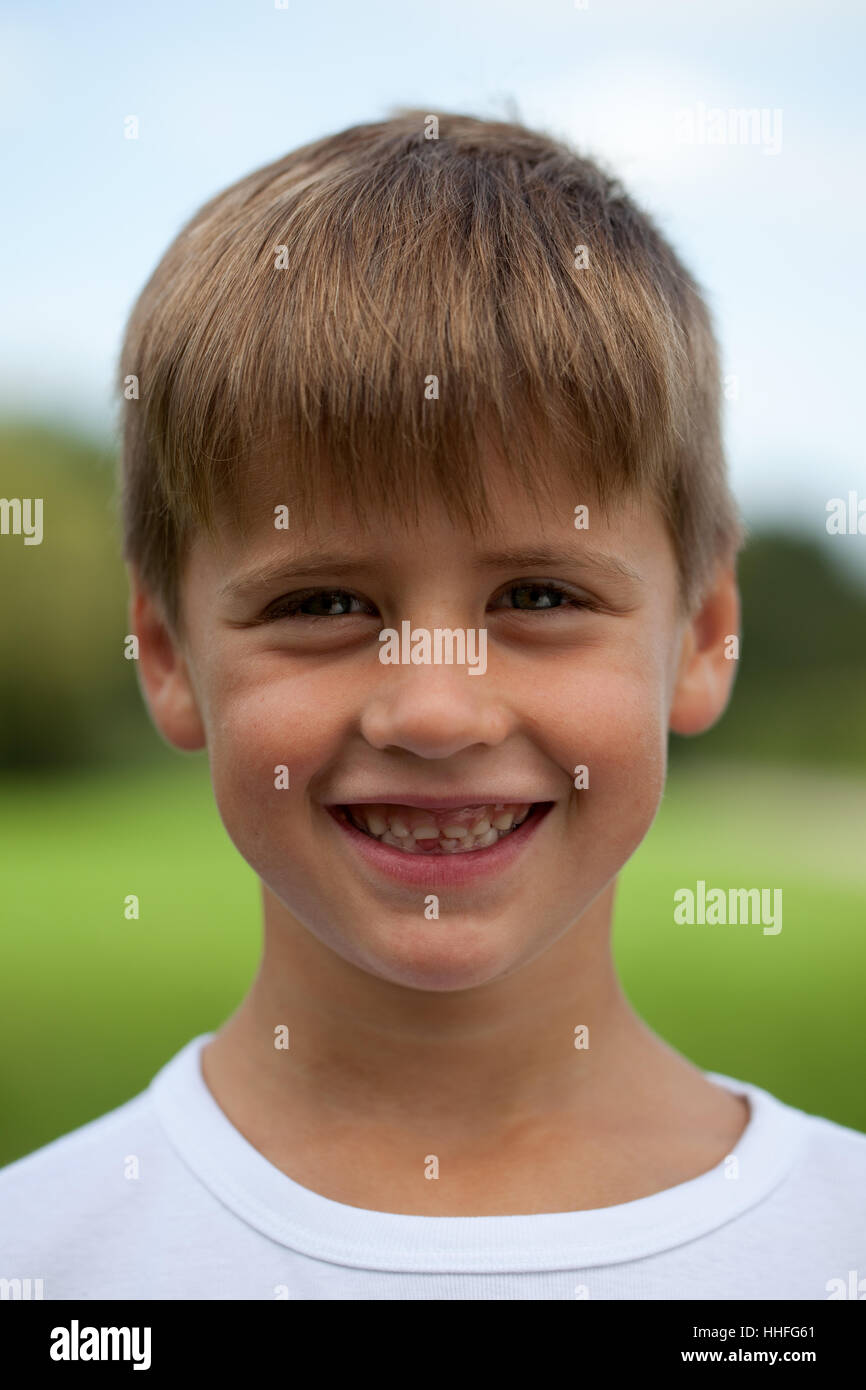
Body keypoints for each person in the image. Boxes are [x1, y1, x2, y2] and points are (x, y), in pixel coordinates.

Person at [2, 110, 863, 1300]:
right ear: (164, 652)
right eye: (320, 604)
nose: (434, 711)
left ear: (704, 635)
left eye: (537, 592)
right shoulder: (42, 1257)